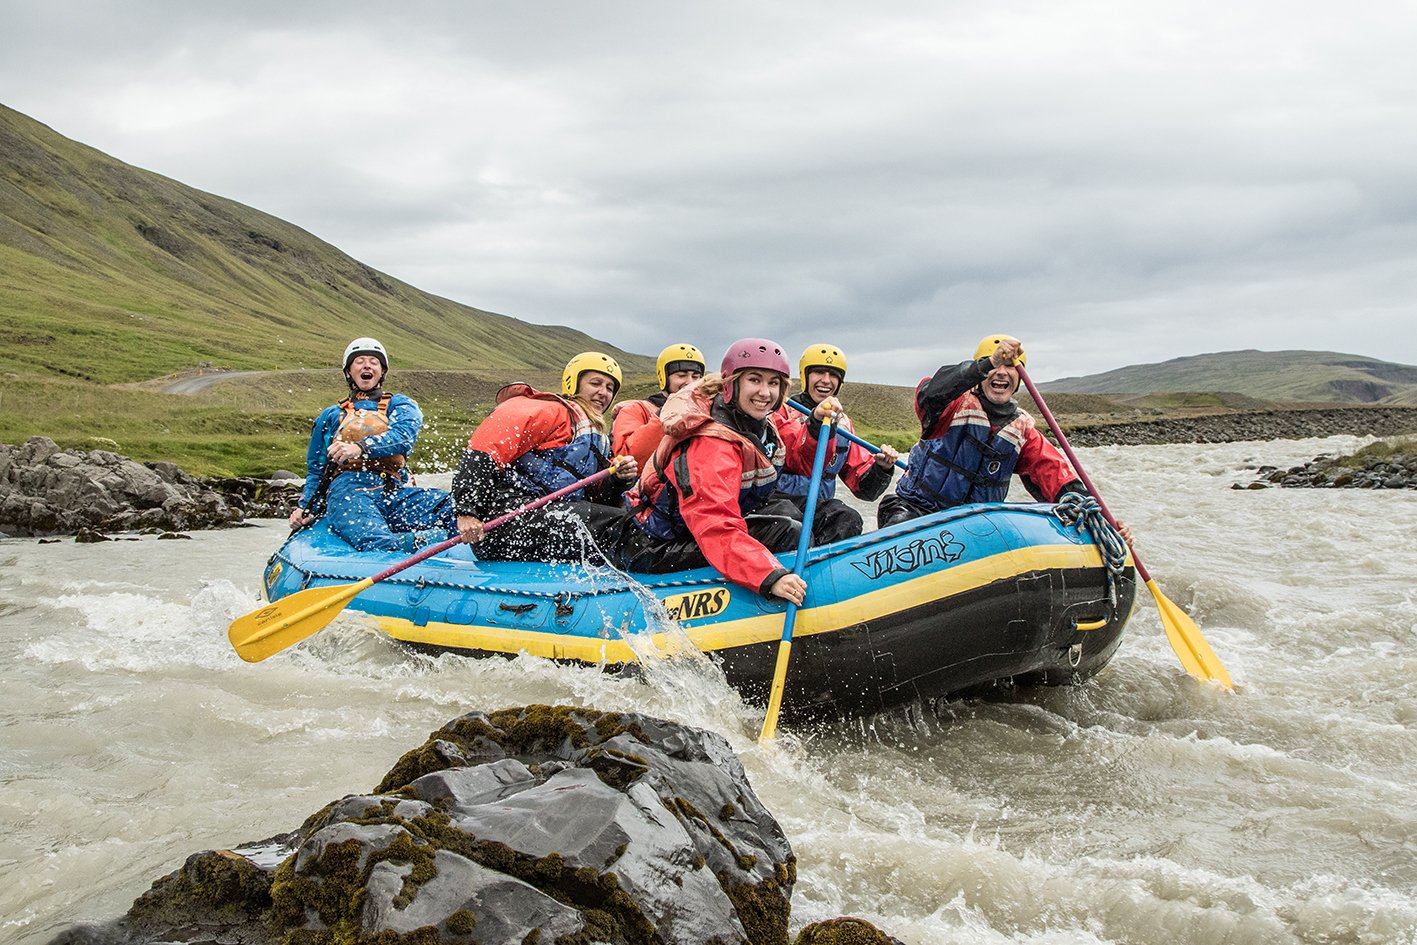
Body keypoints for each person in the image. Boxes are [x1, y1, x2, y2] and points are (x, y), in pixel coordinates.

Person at [613, 338, 824, 605]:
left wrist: (814, 426)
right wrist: (770, 576)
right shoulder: (710, 442)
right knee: (787, 532)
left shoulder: (757, 423)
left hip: (690, 533)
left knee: (795, 517)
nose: (765, 392)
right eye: (755, 380)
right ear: (731, 385)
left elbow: (800, 459)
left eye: (773, 383)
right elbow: (714, 524)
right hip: (656, 545)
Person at [878, 334, 1088, 527]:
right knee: (901, 522)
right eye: (996, 365)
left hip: (975, 526)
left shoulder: (1023, 432)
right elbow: (931, 393)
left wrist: (1096, 517)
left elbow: (1056, 476)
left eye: (1011, 366)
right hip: (916, 510)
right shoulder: (952, 404)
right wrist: (988, 363)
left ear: (1019, 379)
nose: (1002, 372)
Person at [451, 351, 639, 562]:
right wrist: (467, 511)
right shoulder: (547, 411)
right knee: (616, 525)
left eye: (609, 388)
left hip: (550, 517)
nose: (603, 392)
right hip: (505, 522)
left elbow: (595, 498)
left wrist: (616, 480)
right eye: (595, 383)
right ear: (573, 383)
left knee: (627, 518)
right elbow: (485, 451)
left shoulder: (600, 441)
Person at [288, 337, 456, 552]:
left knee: (456, 507)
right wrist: (306, 507)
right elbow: (316, 469)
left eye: (373, 362)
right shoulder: (331, 415)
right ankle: (395, 555)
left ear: (382, 372)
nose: (367, 365)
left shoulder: (400, 404)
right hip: (348, 492)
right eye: (359, 361)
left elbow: (404, 435)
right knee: (378, 542)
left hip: (392, 491)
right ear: (349, 371)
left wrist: (361, 447)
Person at [766, 343, 900, 543]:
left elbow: (863, 488)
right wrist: (817, 422)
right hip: (776, 500)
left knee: (848, 519)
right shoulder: (781, 411)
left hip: (819, 506)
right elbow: (798, 456)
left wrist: (882, 468)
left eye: (833, 375)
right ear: (805, 376)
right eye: (819, 372)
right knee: (794, 522)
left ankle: (821, 569)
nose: (826, 381)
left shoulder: (844, 424)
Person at [610, 343, 706, 468]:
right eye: (681, 375)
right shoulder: (635, 410)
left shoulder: (704, 416)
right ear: (664, 377)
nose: (690, 382)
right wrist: (668, 414)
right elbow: (628, 458)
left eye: (696, 377)